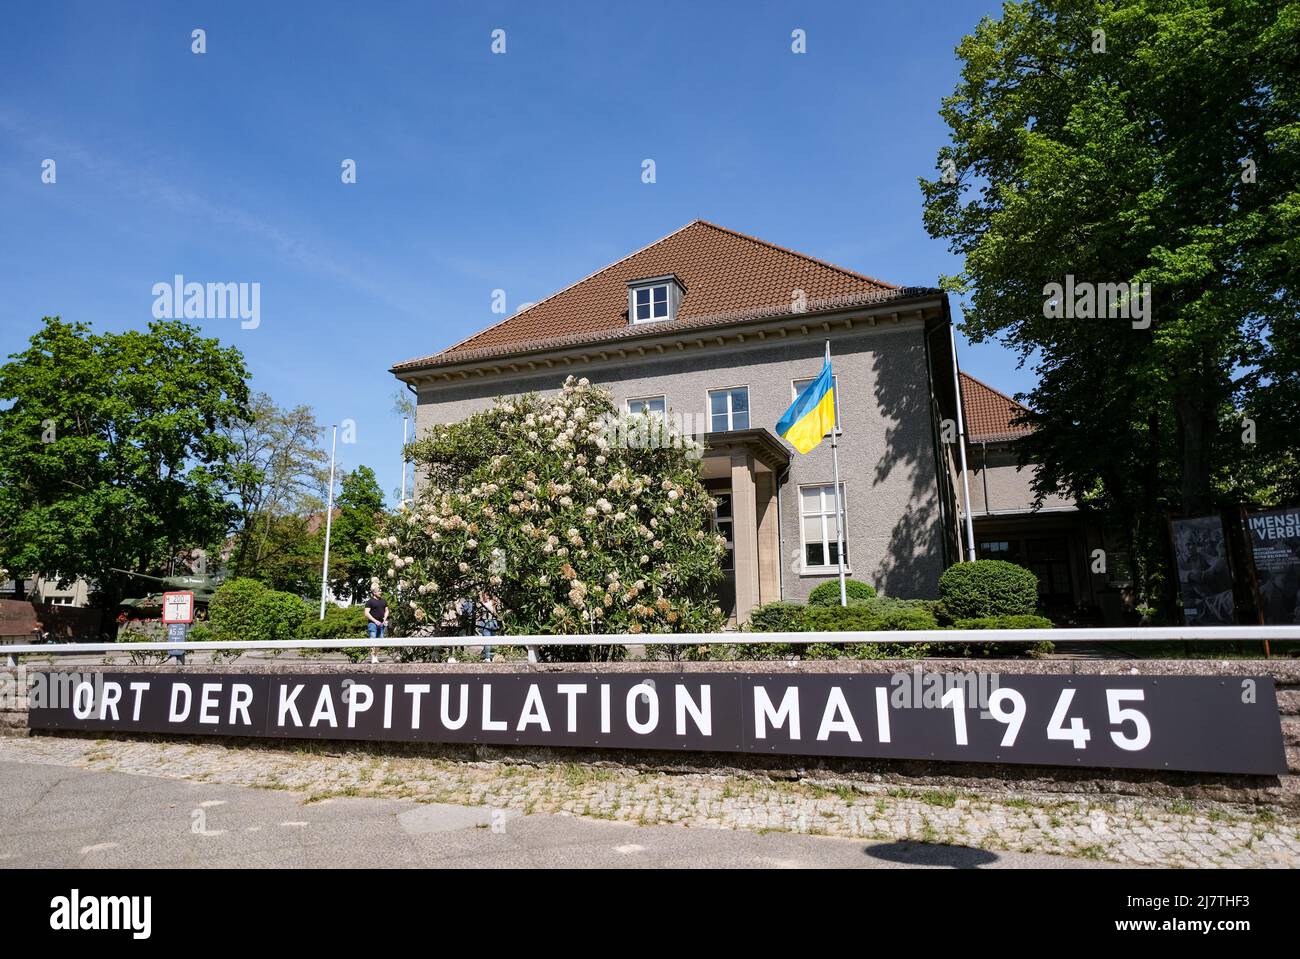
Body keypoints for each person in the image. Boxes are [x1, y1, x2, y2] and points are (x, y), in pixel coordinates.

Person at [364, 588, 388, 664]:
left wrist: (385, 618)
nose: (380, 592)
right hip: (372, 624)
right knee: (373, 640)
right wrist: (375, 621)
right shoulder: (369, 602)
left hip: (381, 623)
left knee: (380, 640)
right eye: (379, 591)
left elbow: (387, 610)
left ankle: (375, 655)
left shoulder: (383, 601)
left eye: (381, 590)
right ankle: (373, 657)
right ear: (374, 593)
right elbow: (366, 613)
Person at [477, 591, 499, 662]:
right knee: (489, 641)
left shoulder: (489, 603)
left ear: (488, 596)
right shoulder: (492, 602)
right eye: (483, 595)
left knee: (488, 641)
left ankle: (487, 657)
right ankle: (488, 656)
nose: (484, 597)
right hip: (491, 623)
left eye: (485, 595)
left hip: (488, 623)